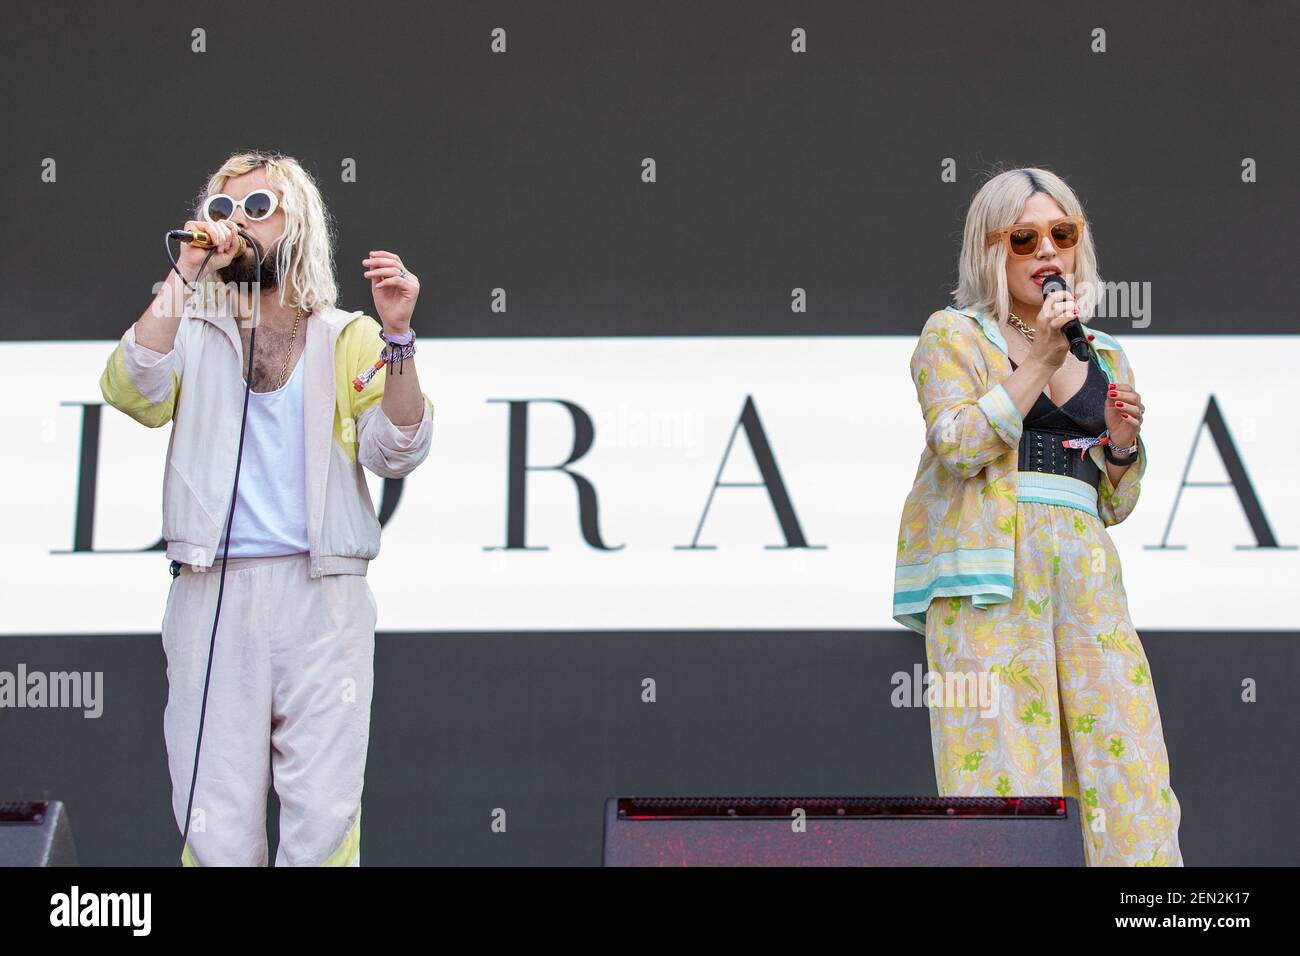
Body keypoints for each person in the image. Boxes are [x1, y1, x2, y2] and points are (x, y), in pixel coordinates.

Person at [99, 151, 435, 866]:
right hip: (210, 589)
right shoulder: (190, 328)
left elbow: (397, 447)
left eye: (259, 209)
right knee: (213, 822)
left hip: (323, 596)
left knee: (322, 821)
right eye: (224, 210)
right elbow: (131, 386)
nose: (237, 225)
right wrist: (187, 271)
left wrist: (399, 336)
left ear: (298, 224)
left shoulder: (348, 338)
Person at [891, 167, 1182, 866]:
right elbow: (958, 444)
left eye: (1062, 233)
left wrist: (1121, 445)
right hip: (991, 577)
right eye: (1025, 237)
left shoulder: (1106, 353)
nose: (1047, 250)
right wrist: (1041, 358)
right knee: (1001, 774)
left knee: (1131, 774)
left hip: (1086, 583)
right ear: (990, 251)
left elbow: (1115, 501)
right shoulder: (953, 336)